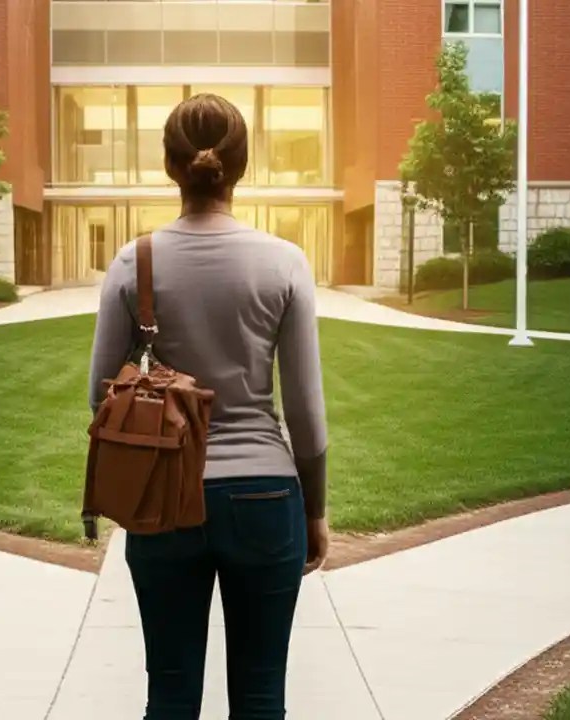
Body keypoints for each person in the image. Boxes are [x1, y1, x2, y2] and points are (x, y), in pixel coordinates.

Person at [87, 92, 330, 720]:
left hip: (165, 498)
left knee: (169, 695)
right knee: (259, 697)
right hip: (268, 497)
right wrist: (317, 511)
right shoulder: (285, 263)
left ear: (170, 166)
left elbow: (100, 397)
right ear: (241, 165)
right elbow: (304, 410)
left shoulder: (130, 262)